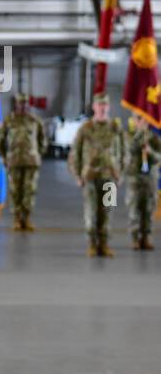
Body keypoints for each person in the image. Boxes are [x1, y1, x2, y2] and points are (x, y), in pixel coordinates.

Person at [69, 92, 125, 258]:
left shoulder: (115, 128)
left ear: (108, 107)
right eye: (99, 105)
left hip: (110, 177)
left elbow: (124, 152)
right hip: (90, 177)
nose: (102, 108)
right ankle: (93, 244)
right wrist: (77, 175)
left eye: (105, 105)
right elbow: (75, 154)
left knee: (107, 211)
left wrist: (120, 173)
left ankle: (105, 244)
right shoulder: (85, 129)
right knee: (91, 212)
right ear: (94, 107)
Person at [0, 92, 47, 231]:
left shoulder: (35, 121)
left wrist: (38, 154)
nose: (23, 106)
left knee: (29, 191)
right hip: (14, 161)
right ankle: (17, 219)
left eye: (25, 103)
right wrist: (4, 157)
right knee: (15, 191)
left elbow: (42, 141)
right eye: (20, 103)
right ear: (16, 104)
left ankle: (27, 218)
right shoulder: (9, 121)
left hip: (31, 162)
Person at [124, 114, 161, 250]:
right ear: (134, 120)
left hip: (150, 178)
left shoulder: (154, 138)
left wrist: (150, 151)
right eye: (139, 119)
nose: (142, 122)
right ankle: (135, 238)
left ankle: (146, 238)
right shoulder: (129, 136)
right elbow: (128, 151)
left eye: (144, 119)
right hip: (134, 178)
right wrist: (139, 137)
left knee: (149, 208)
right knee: (134, 208)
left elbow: (159, 157)